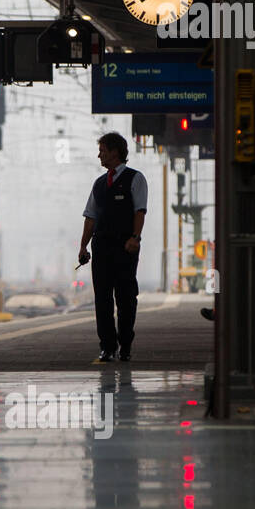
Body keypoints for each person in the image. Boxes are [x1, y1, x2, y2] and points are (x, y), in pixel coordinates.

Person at [78, 132, 147, 363]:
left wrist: (135, 238)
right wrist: (83, 246)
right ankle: (107, 346)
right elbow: (90, 217)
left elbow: (140, 211)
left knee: (126, 298)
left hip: (125, 247)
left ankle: (125, 344)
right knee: (103, 299)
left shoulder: (135, 179)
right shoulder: (98, 184)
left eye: (103, 150)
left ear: (115, 151)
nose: (99, 155)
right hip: (102, 247)